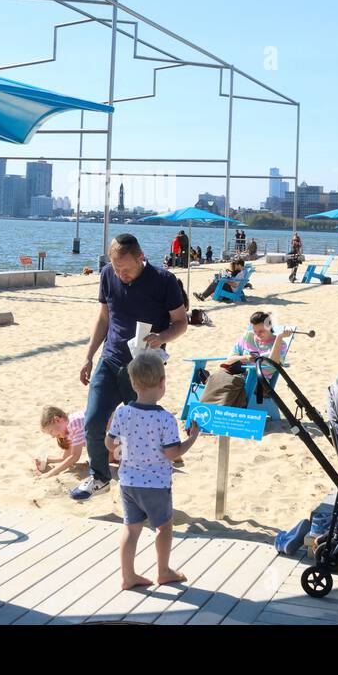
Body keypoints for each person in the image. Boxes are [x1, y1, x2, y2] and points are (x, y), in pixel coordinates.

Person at [74, 233, 187, 501]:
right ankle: (100, 477)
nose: (120, 274)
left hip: (145, 367)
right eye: (116, 269)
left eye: (126, 269)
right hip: (110, 359)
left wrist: (162, 337)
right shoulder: (107, 275)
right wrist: (89, 356)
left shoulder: (164, 281)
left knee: (144, 432)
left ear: (141, 257)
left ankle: (152, 487)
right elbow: (104, 317)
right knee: (93, 421)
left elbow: (181, 322)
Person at [106, 350, 201, 589]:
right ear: (162, 383)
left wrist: (123, 450)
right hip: (156, 484)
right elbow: (173, 453)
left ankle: (128, 575)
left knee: (131, 528)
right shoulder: (165, 418)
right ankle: (164, 571)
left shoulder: (123, 412)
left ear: (133, 382)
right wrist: (193, 438)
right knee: (164, 527)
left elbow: (110, 443)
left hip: (127, 481)